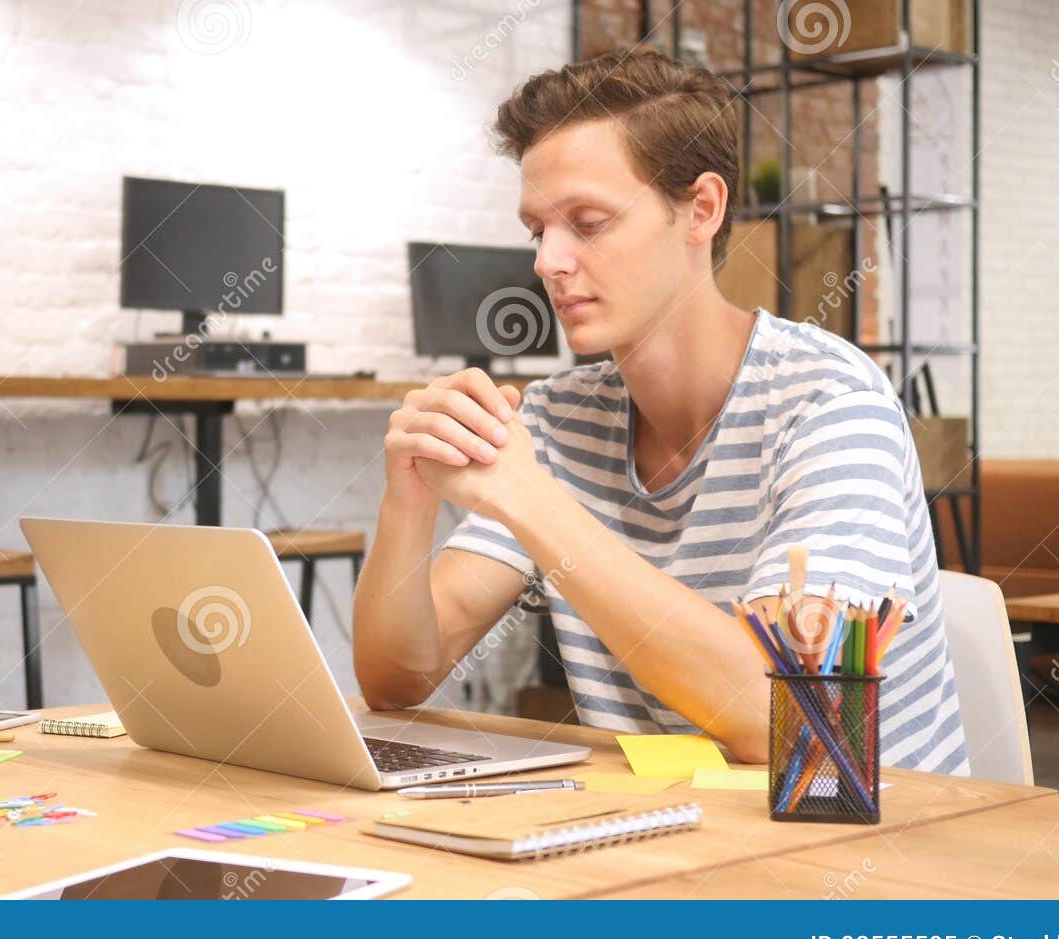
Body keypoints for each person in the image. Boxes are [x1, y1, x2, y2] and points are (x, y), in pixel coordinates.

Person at [352, 48, 967, 772]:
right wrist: (408, 501)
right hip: (671, 837)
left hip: (871, 853)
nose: (547, 261)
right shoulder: (557, 420)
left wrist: (533, 502)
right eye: (537, 230)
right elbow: (398, 681)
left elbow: (795, 720)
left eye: (586, 222)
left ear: (701, 209)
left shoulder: (829, 402)